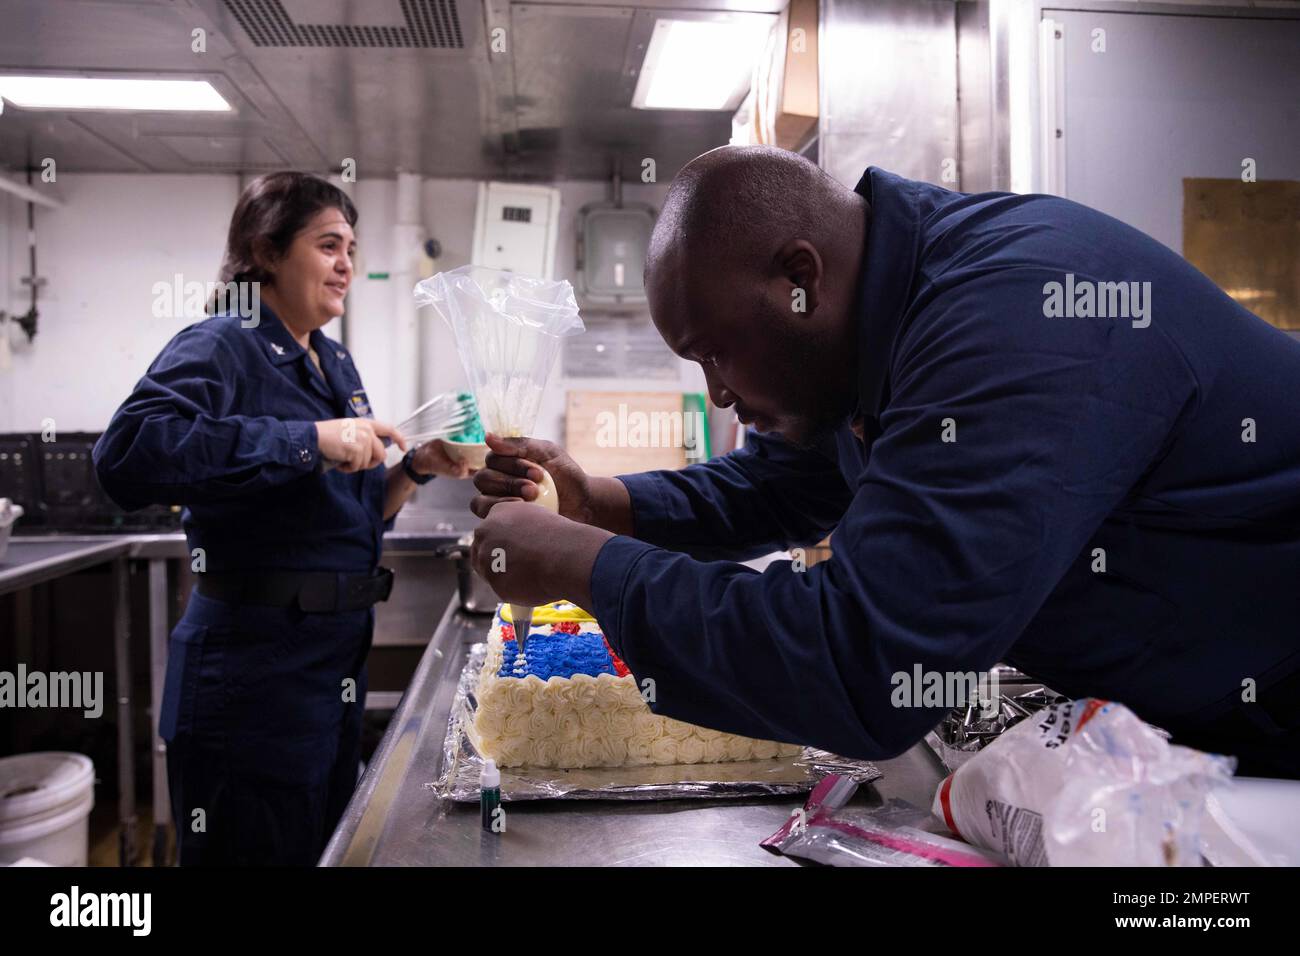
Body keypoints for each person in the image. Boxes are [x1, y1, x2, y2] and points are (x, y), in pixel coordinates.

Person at [469, 145, 1300, 780]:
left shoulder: (1017, 314)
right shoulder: (876, 332)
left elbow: (866, 664)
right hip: (1202, 716)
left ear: (801, 278)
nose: (716, 396)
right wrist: (601, 504)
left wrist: (582, 565)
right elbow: (787, 480)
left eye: (715, 354)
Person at [94, 172, 470, 864]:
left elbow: (348, 522)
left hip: (326, 676)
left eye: (352, 248)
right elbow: (124, 458)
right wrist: (308, 440)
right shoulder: (220, 344)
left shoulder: (332, 361)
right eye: (329, 245)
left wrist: (415, 469)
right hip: (250, 682)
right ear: (266, 252)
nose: (346, 265)